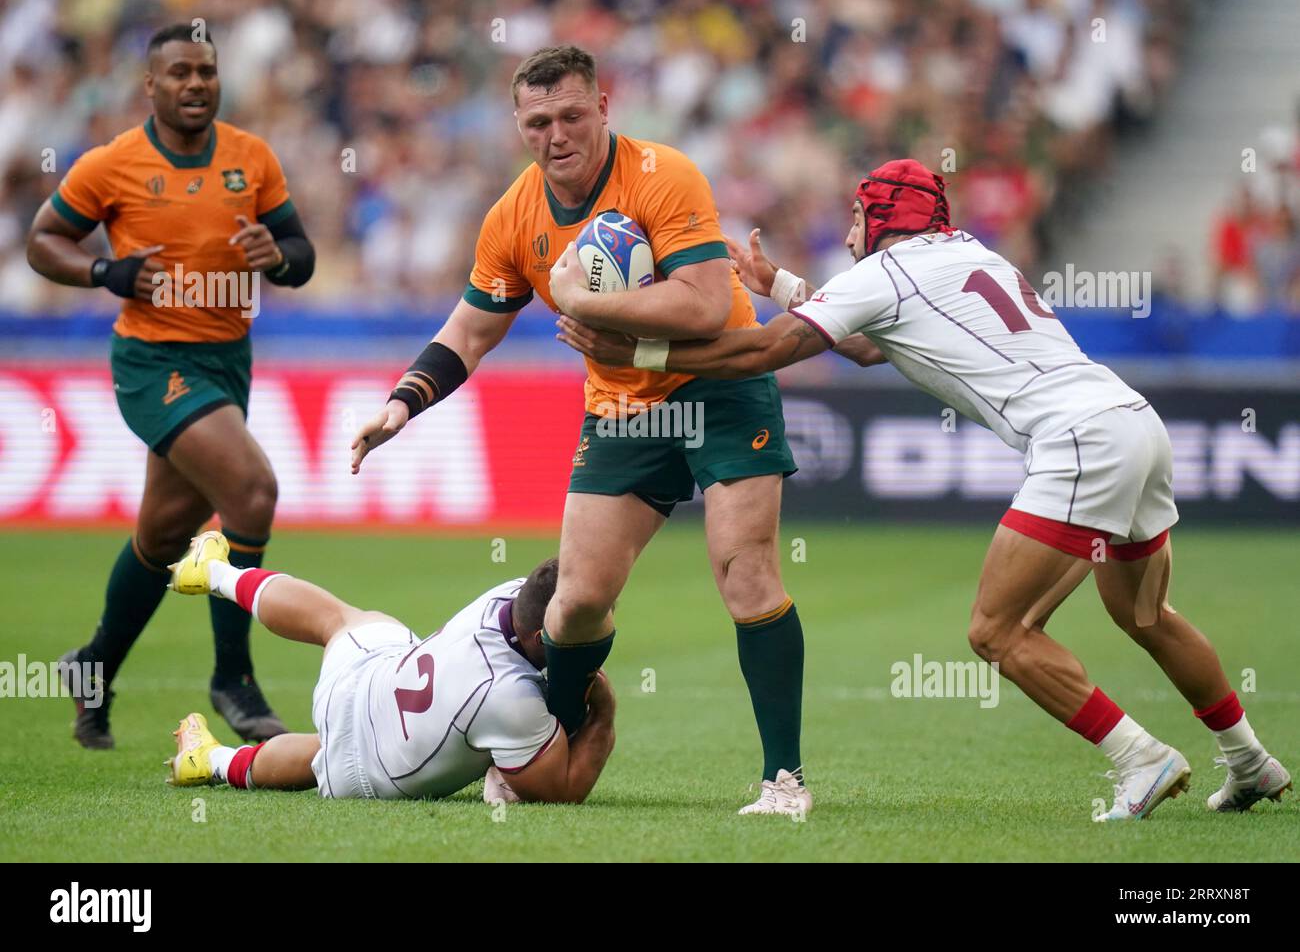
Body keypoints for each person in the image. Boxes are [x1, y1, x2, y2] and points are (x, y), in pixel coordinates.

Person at [552, 158, 1291, 820]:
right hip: (1133, 420)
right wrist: (777, 282)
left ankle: (1140, 757)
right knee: (1147, 613)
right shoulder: (974, 255)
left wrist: (638, 348)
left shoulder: (886, 271)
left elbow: (769, 347)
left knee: (997, 631)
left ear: (880, 217)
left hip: (1079, 442)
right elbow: (876, 344)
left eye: (855, 215)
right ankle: (1251, 759)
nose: (847, 232)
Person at [350, 46, 876, 815]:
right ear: (520, 125)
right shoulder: (513, 215)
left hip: (723, 384)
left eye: (570, 115)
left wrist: (583, 301)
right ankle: (558, 743)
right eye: (537, 121)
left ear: (603, 107)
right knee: (576, 600)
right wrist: (402, 402)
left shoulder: (665, 174)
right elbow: (470, 331)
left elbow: (701, 303)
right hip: (625, 408)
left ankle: (784, 780)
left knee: (747, 573)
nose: (555, 134)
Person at [28, 23, 316, 748]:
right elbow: (43, 240)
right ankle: (233, 678)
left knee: (162, 535)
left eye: (207, 72)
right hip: (153, 361)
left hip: (226, 360)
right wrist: (106, 272)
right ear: (150, 85)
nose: (196, 84)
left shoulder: (252, 157)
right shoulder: (112, 164)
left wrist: (274, 257)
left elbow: (301, 254)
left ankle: (93, 664)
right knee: (251, 491)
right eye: (180, 72)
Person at [164, 532, 615, 803]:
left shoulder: (514, 592)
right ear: (542, 639)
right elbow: (562, 789)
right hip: (371, 775)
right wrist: (604, 712)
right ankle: (213, 762)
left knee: (340, 620)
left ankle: (218, 574)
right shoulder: (509, 700)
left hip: (369, 679)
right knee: (327, 756)